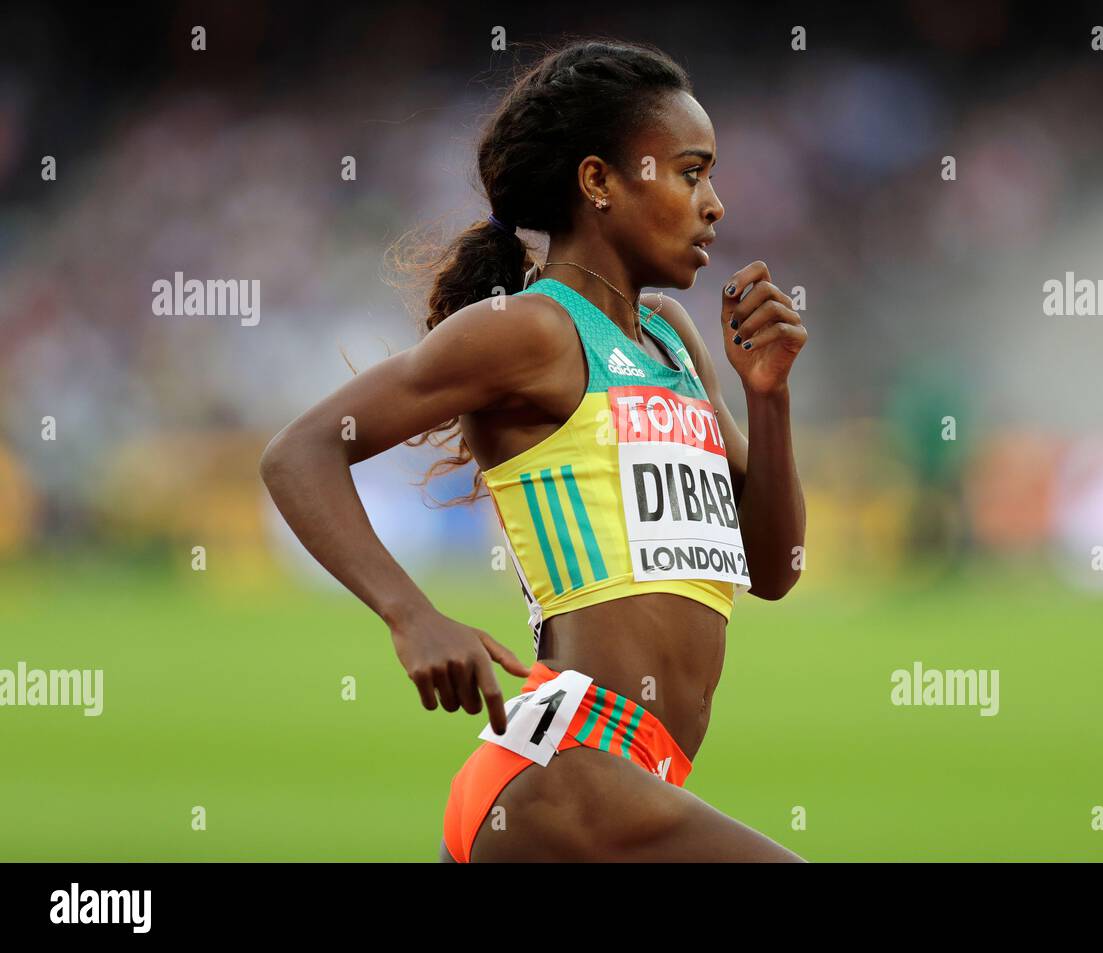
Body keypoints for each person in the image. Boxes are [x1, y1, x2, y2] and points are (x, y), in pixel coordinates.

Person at [259, 38, 808, 862]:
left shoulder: (673, 340)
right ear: (598, 183)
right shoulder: (530, 330)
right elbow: (299, 451)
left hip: (635, 776)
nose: (716, 203)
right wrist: (411, 614)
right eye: (690, 172)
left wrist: (769, 400)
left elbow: (773, 569)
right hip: (570, 769)